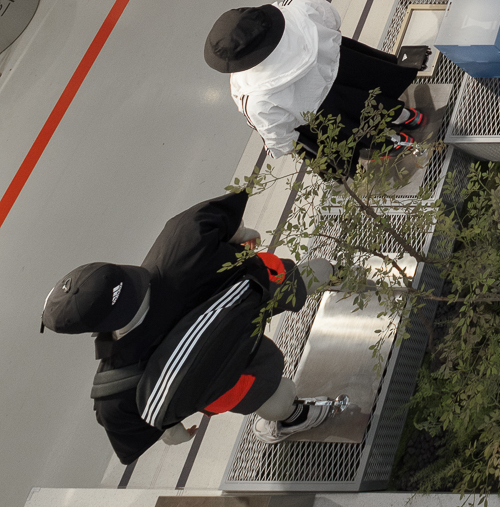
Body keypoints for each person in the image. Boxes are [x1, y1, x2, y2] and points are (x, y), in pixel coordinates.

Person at [41, 192, 348, 462]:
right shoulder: (184, 235)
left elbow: (164, 430)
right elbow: (245, 233)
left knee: (271, 396)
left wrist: (177, 434)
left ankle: (291, 414)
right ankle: (338, 276)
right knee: (300, 278)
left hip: (234, 365)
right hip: (258, 289)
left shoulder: (114, 391)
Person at [203, 0, 430, 169]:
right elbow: (330, 17)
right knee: (375, 94)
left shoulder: (252, 96)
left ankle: (397, 141)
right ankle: (408, 116)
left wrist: (283, 146)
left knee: (362, 127)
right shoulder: (294, 9)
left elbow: (277, 133)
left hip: (325, 110)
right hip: (347, 65)